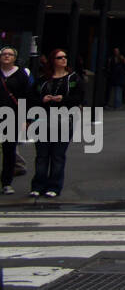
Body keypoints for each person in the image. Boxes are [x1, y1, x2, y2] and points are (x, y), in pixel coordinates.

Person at [30, 48, 84, 197]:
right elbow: (31, 99)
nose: (63, 60)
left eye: (65, 57)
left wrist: (63, 99)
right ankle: (38, 185)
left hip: (64, 120)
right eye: (60, 57)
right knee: (42, 155)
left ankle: (54, 186)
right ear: (53, 61)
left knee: (58, 155)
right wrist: (42, 100)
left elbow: (79, 98)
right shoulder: (43, 80)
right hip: (43, 120)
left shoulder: (74, 79)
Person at [1, 46, 32, 194]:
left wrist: (25, 119)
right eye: (4, 54)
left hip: (12, 117)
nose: (6, 56)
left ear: (14, 58)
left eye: (10, 54)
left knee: (9, 150)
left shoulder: (21, 75)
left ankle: (6, 182)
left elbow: (26, 97)